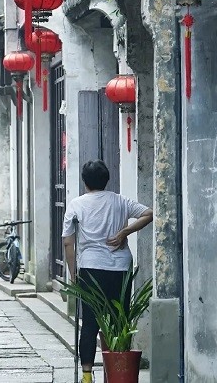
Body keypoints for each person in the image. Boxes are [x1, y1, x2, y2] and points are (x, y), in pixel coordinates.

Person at [62, 159, 153, 383]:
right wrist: (125, 232)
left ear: (85, 182)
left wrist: (73, 274)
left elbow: (67, 242)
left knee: (90, 323)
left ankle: (86, 375)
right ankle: (117, 373)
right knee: (119, 320)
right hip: (119, 270)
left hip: (90, 269)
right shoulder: (121, 201)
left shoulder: (77, 204)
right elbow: (149, 213)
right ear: (107, 180)